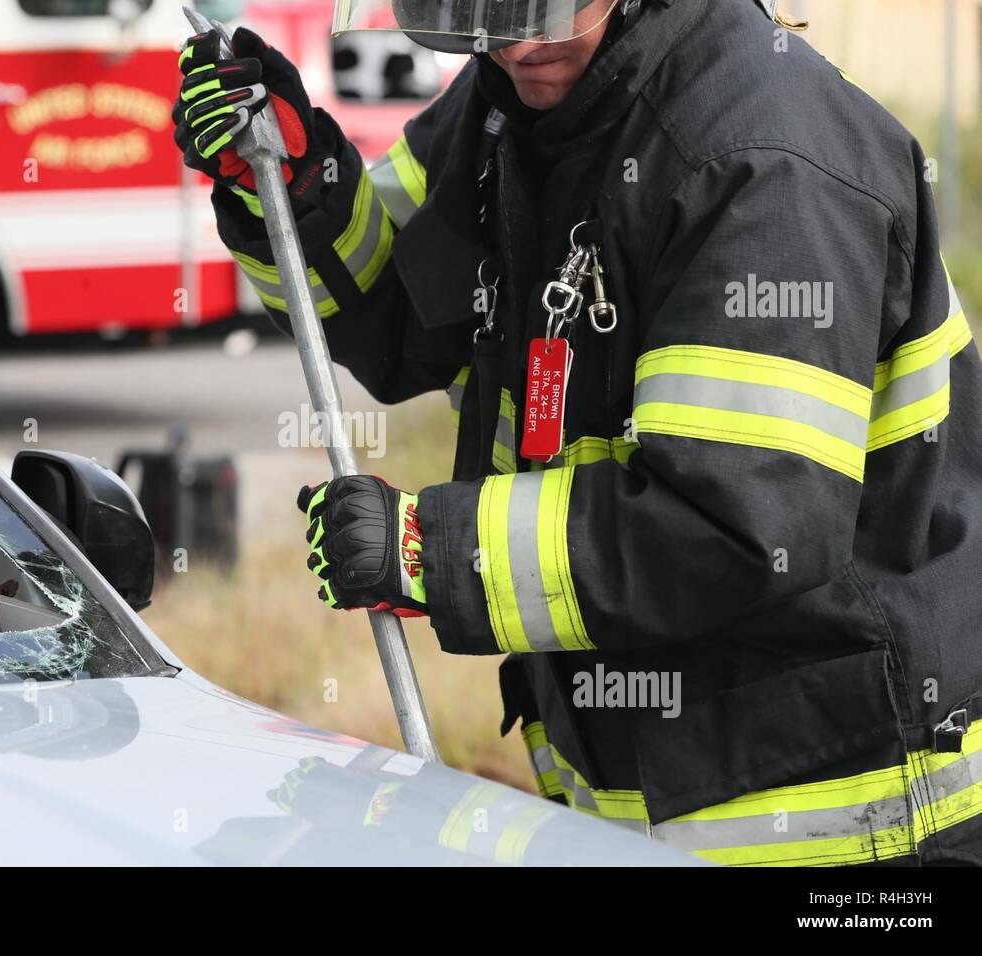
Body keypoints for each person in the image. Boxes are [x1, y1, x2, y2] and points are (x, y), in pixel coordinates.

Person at [173, 0, 982, 865]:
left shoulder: (764, 162)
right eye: (475, 10)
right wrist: (295, 183)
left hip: (848, 825)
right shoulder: (510, 103)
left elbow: (734, 528)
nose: (514, 42)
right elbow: (400, 312)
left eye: (539, 6)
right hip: (627, 802)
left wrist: (433, 552)